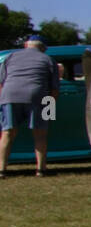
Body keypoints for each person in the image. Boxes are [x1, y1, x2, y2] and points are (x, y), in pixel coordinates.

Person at [0, 34, 61, 179]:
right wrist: (49, 112)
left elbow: (1, 83)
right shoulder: (48, 60)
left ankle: (1, 170)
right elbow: (54, 89)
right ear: (43, 48)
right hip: (37, 95)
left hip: (9, 96)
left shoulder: (10, 57)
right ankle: (41, 169)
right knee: (40, 134)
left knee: (7, 133)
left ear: (26, 45)